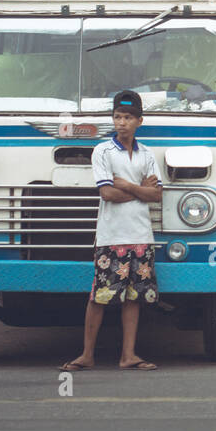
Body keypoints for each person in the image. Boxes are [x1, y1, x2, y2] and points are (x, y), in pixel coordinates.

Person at [61, 90, 163, 372]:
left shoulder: (147, 154)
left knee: (133, 298)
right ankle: (87, 354)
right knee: (100, 297)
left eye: (128, 117)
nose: (122, 122)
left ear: (139, 121)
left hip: (141, 236)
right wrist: (142, 189)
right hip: (112, 237)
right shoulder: (102, 152)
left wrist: (128, 186)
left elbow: (157, 196)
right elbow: (107, 193)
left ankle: (128, 355)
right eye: (117, 117)